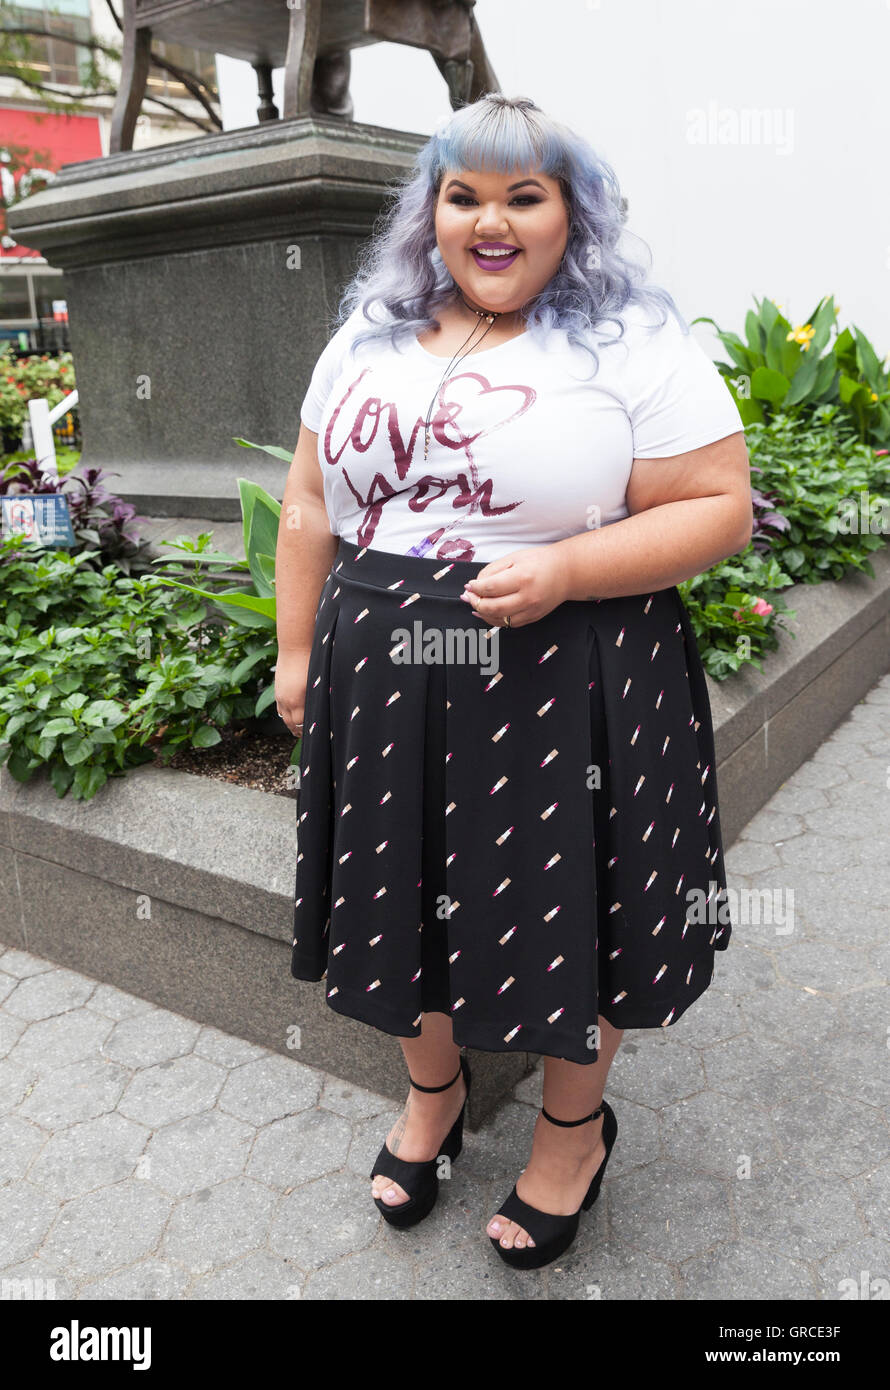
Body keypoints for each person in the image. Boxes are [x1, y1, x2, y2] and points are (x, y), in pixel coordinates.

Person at [274, 93, 750, 1271]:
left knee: (569, 914)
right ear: (428, 213)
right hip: (385, 676)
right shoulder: (368, 334)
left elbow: (717, 508)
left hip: (567, 675)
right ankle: (431, 1099)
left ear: (566, 213)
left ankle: (570, 1130)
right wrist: (295, 653)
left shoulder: (630, 338)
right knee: (402, 903)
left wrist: (569, 569)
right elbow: (304, 500)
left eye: (521, 196)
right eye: (462, 196)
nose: (490, 222)